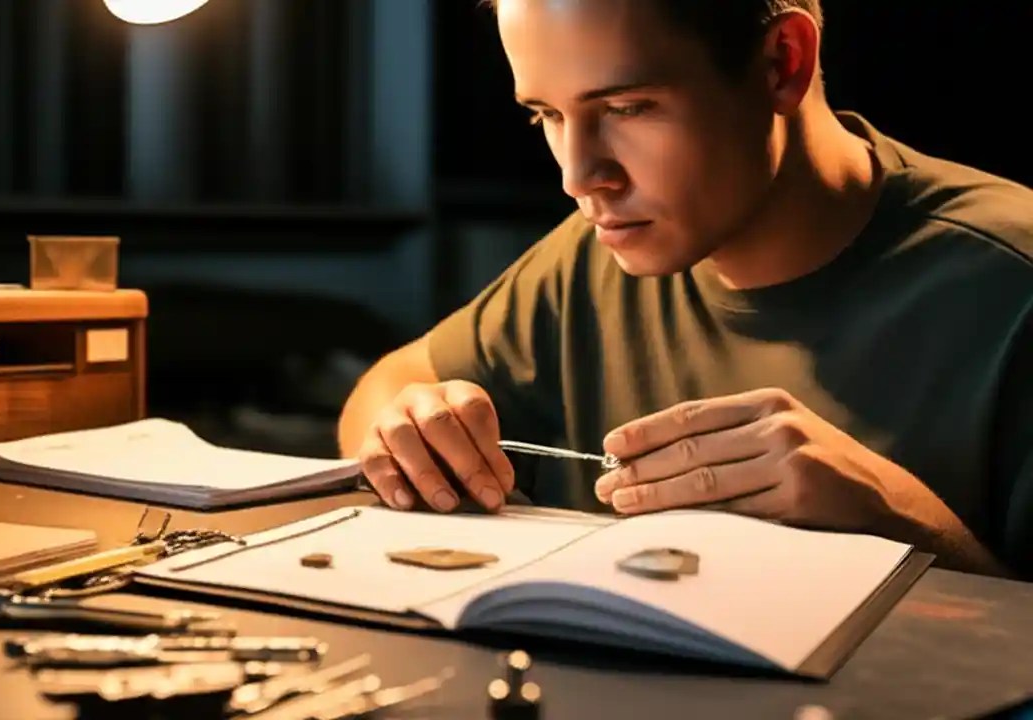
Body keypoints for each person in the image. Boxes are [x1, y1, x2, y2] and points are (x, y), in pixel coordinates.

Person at [336, 0, 1033, 580]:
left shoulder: (1011, 285)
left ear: (783, 63)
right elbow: (390, 385)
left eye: (628, 107)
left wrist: (902, 524)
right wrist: (411, 428)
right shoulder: (596, 255)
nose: (578, 177)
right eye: (545, 115)